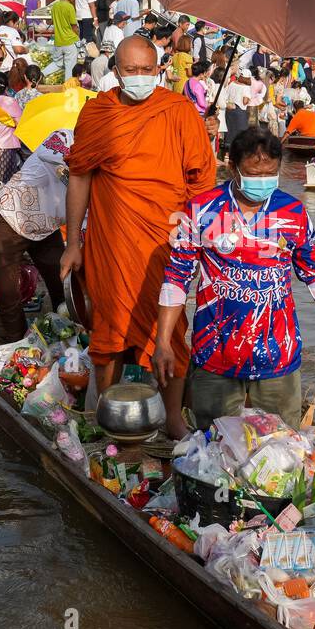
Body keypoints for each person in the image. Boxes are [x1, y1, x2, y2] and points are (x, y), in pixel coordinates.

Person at [155, 126, 315, 433]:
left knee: (283, 445)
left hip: (277, 352)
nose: (262, 181)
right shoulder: (201, 211)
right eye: (254, 174)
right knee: (213, 446)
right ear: (233, 166)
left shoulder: (292, 213)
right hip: (216, 352)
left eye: (270, 173)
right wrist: (163, 341)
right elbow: (176, 278)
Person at [62, 35, 216, 436]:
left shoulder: (180, 111)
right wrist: (73, 244)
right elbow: (79, 175)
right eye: (131, 71)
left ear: (159, 69)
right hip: (112, 240)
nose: (140, 77)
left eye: (148, 70)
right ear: (116, 72)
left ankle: (171, 420)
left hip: (166, 242)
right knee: (109, 325)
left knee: (171, 330)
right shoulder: (98, 113)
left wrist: (200, 241)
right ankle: (105, 410)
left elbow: (202, 183)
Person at [0, 129, 72, 341]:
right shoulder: (62, 137)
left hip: (46, 225)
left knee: (61, 283)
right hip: (10, 217)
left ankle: (67, 335)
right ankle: (15, 342)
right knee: (8, 289)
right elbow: (51, 157)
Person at [48, 0, 79, 81]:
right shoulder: (69, 7)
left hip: (58, 42)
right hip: (70, 41)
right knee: (70, 67)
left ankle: (40, 74)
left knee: (57, 63)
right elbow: (74, 25)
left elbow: (52, 21)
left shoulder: (55, 6)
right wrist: (77, 37)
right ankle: (68, 89)